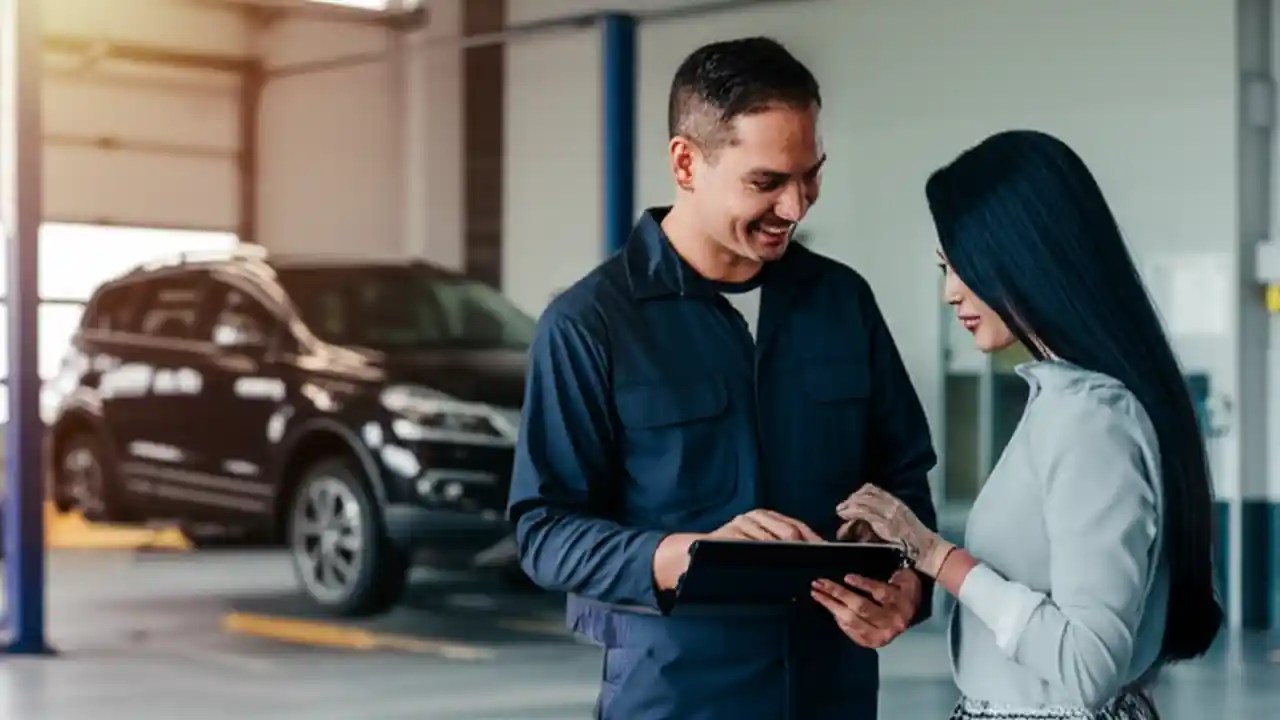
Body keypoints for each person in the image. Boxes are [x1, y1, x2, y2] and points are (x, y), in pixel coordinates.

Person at [506, 37, 938, 719]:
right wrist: (685, 555)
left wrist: (909, 586)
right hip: (677, 698)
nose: (796, 208)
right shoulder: (591, 324)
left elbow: (904, 475)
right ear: (686, 161)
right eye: (766, 182)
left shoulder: (841, 302)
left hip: (834, 695)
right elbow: (545, 530)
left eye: (811, 175)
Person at [823, 130, 1224, 719]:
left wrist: (936, 555)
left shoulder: (1091, 417)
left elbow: (1087, 664)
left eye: (960, 266)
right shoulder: (1062, 401)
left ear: (1021, 254)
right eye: (943, 267)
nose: (949, 293)